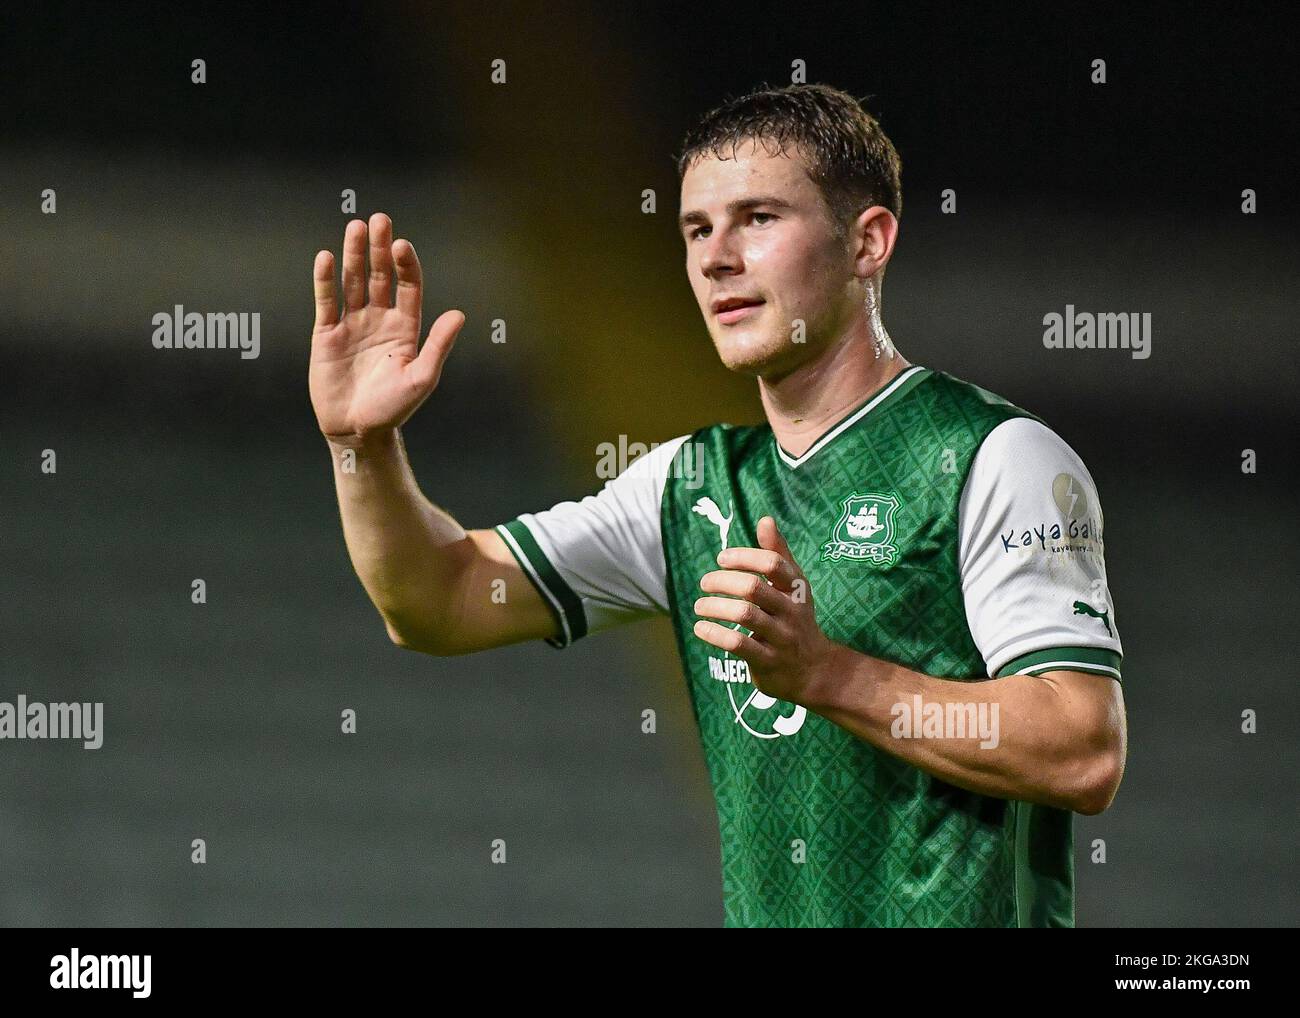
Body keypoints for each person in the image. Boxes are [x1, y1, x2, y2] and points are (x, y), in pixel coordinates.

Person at [308, 83, 1126, 927]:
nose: (715, 258)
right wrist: (362, 449)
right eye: (697, 230)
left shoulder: (992, 456)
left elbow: (1080, 749)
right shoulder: (690, 486)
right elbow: (437, 601)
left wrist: (826, 675)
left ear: (868, 242)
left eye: (758, 219)